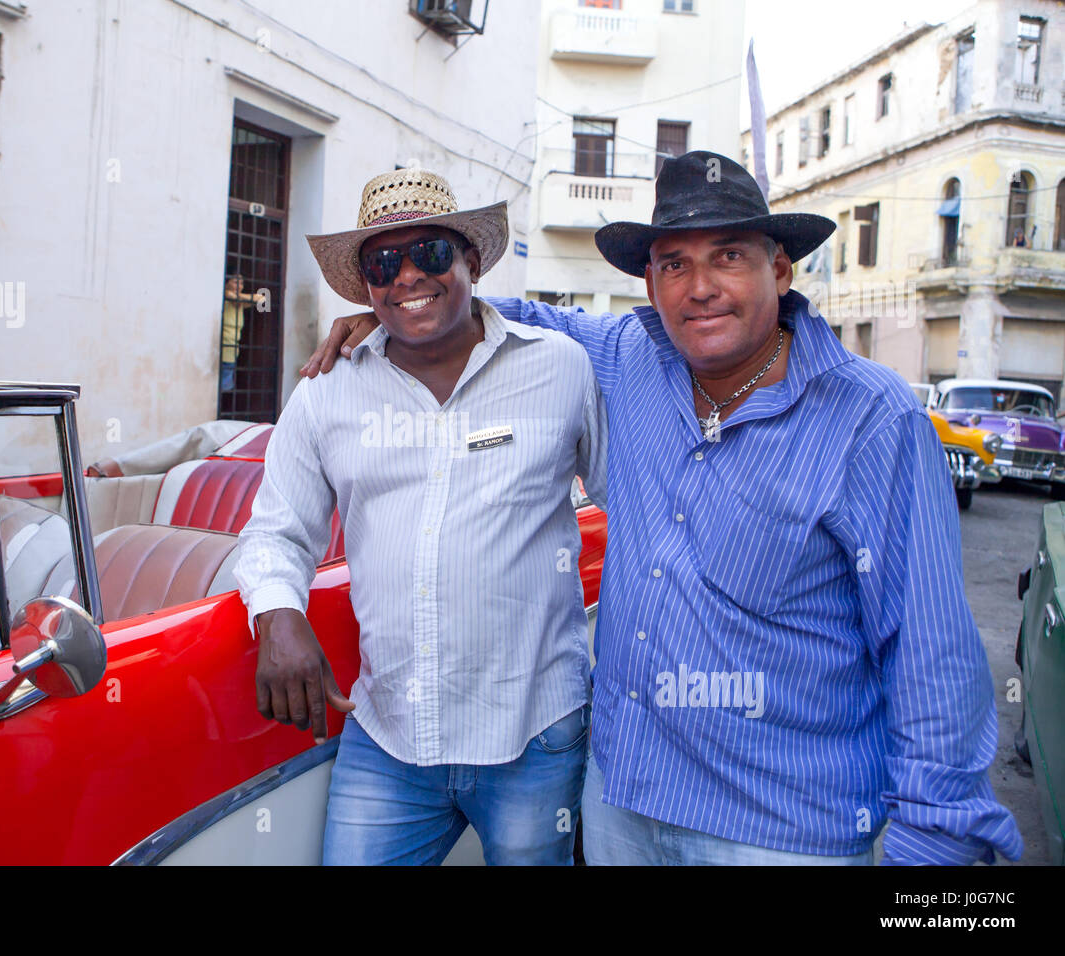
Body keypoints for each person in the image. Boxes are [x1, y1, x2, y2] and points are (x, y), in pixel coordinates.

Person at [305, 151, 1023, 866]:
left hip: (782, 831)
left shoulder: (874, 419)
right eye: (674, 263)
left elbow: (930, 655)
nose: (700, 287)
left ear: (780, 269)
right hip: (624, 805)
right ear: (650, 284)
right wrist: (399, 315)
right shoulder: (629, 359)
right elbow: (503, 323)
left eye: (729, 256)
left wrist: (936, 848)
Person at [234, 167, 607, 865]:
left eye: (430, 253)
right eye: (383, 262)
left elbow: (631, 502)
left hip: (536, 733)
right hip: (390, 740)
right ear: (366, 285)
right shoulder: (326, 391)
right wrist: (278, 614)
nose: (407, 276)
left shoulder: (560, 369)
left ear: (471, 260)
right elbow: (277, 531)